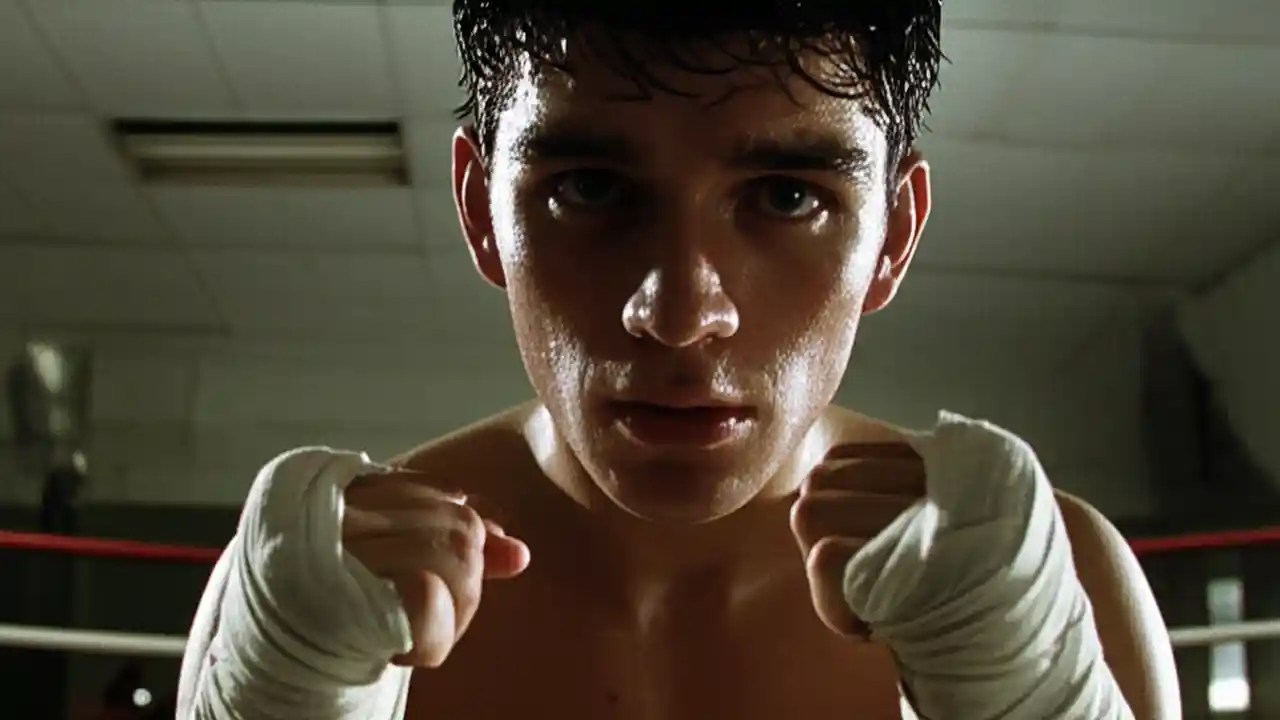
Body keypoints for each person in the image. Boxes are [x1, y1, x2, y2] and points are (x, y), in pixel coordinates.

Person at [177, 2, 1181, 718]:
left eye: (787, 196)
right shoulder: (304, 602)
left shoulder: (1061, 588)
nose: (678, 313)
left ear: (891, 236)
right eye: (591, 189)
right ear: (483, 212)